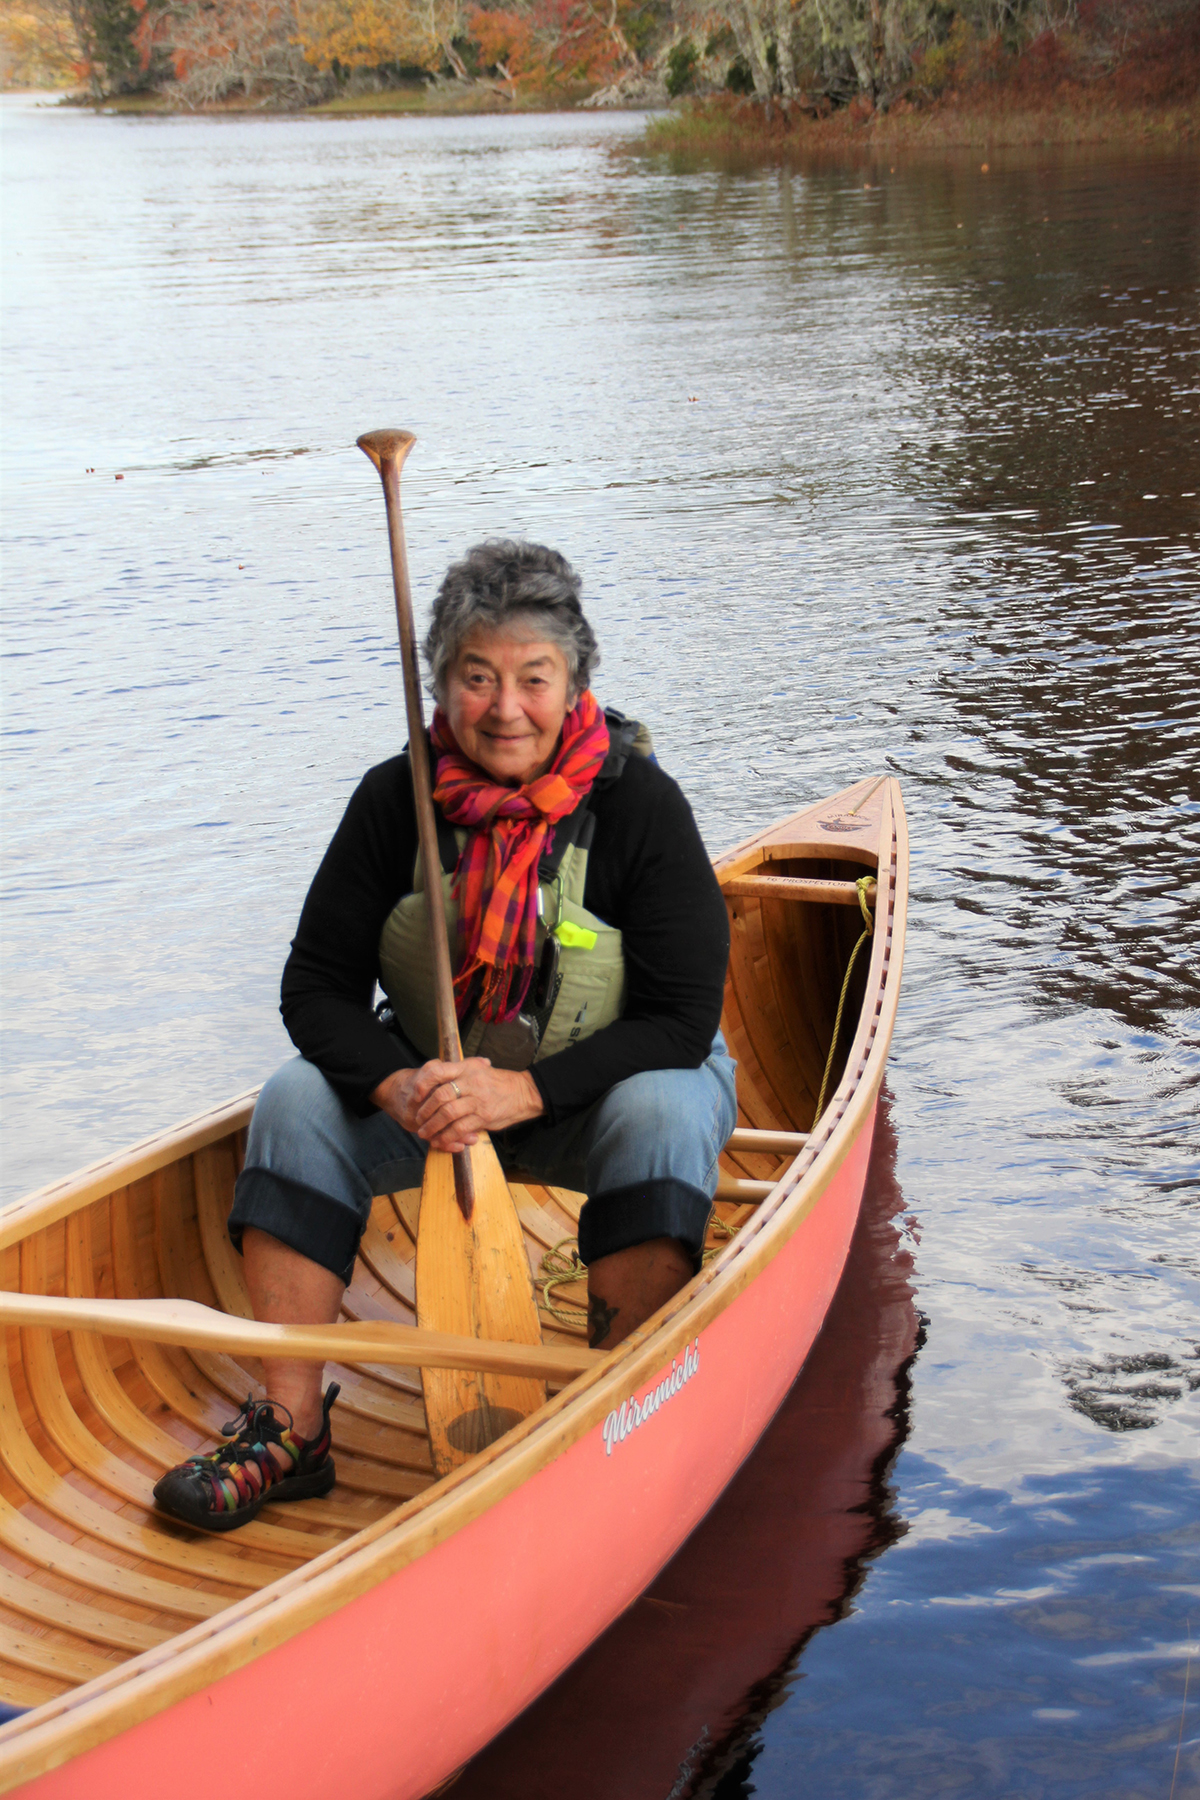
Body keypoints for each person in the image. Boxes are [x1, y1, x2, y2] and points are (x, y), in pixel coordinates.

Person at [153, 541, 735, 1533]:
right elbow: (316, 989)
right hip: (433, 1099)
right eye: (476, 677)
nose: (505, 708)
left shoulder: (639, 806)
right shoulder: (396, 801)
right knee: (297, 1097)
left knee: (665, 1111)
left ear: (574, 683)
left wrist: (524, 1093)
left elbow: (684, 1019)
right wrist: (399, 1088)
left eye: (532, 678)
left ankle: (620, 1400)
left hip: (602, 1094)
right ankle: (289, 1430)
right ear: (440, 682)